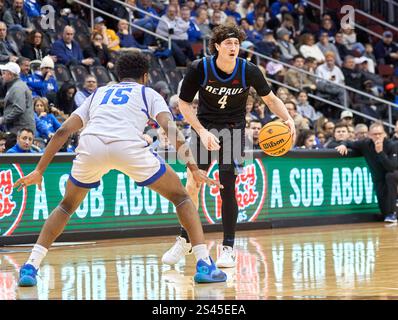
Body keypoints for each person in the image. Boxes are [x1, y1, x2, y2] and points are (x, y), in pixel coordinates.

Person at [15, 51, 227, 287]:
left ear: (118, 74)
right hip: (127, 147)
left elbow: (63, 131)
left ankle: (31, 266)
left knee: (66, 206)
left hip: (91, 144)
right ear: (145, 76)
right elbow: (170, 129)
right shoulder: (148, 93)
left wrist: (39, 170)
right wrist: (194, 168)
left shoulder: (99, 92)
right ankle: (204, 263)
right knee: (181, 197)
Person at [162, 23, 295, 268]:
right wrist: (201, 131)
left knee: (227, 187)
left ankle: (228, 248)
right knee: (192, 183)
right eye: (228, 44)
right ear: (217, 46)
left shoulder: (249, 70)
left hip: (234, 131)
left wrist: (288, 119)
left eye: (236, 44)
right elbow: (183, 104)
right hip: (203, 128)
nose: (234, 48)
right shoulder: (200, 68)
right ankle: (185, 239)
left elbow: (270, 99)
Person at [336, 122, 398, 223]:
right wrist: (343, 145)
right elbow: (348, 142)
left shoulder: (392, 145)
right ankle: (389, 213)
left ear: (384, 134)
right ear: (369, 135)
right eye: (374, 134)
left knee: (390, 176)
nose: (377, 136)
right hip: (378, 178)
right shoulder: (365, 144)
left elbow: (391, 167)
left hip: (393, 175)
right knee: (384, 212)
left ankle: (392, 212)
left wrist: (380, 152)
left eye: (380, 133)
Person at [0, 62, 35, 135]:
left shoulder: (17, 88)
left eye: (4, 73)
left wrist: (3, 119)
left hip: (21, 129)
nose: (2, 76)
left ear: (10, 74)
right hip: (19, 128)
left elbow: (19, 109)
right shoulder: (15, 86)